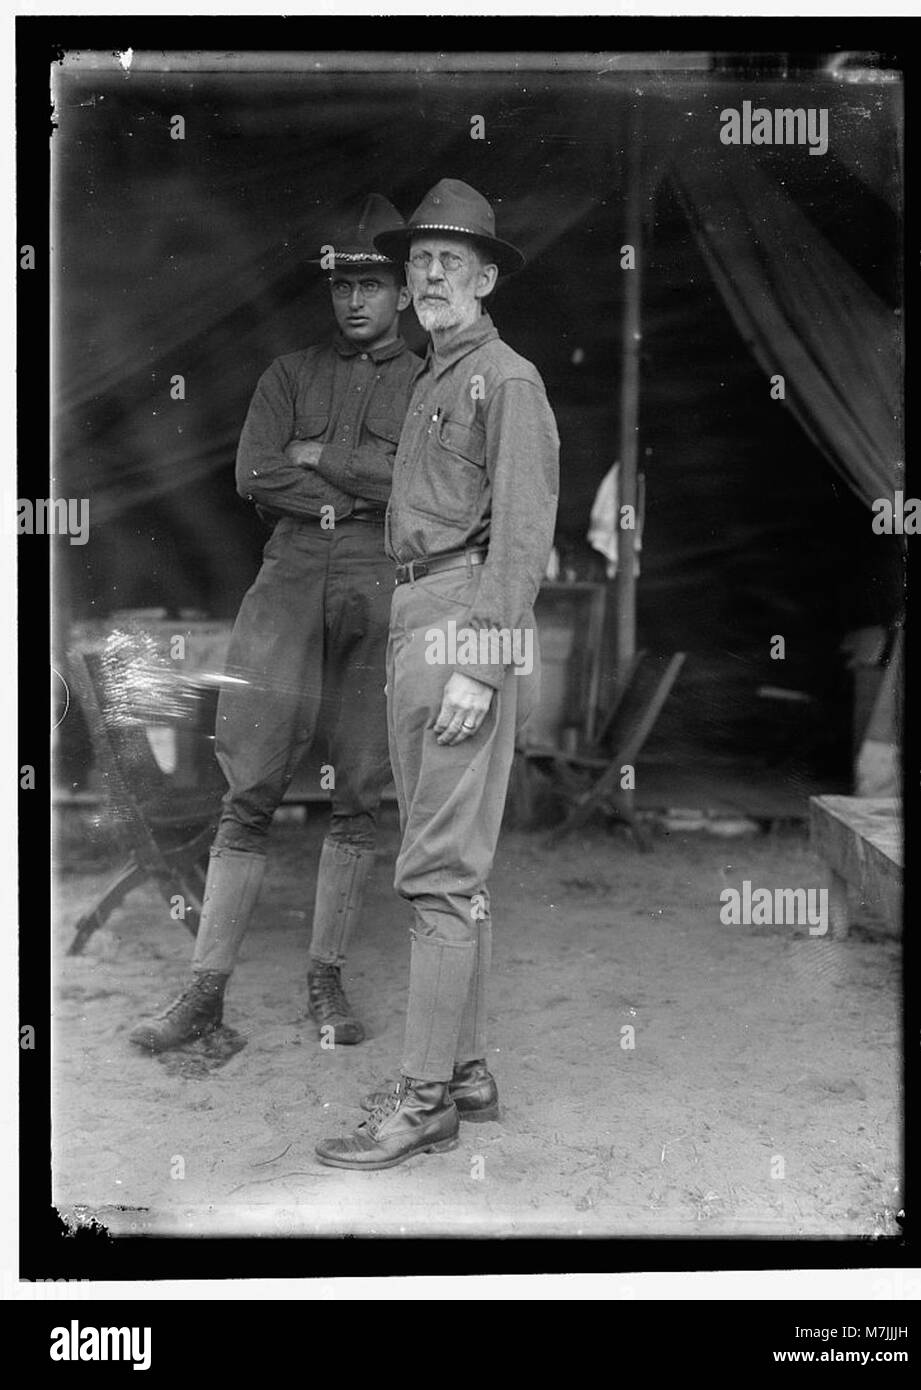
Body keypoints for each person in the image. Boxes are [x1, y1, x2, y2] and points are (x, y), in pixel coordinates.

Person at [131, 194, 420, 1053]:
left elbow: (416, 489)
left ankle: (324, 981)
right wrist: (350, 482)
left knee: (360, 790)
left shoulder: (430, 382)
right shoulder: (287, 375)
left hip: (380, 575)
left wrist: (322, 457)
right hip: (291, 572)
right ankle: (204, 992)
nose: (355, 299)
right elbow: (255, 476)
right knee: (248, 784)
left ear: (404, 292)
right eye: (342, 285)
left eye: (372, 283)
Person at [314, 178, 560, 1170]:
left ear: (487, 276)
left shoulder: (506, 380)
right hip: (420, 610)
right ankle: (463, 1072)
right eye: (418, 262)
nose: (429, 278)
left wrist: (482, 666)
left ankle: (420, 1103)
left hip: (462, 623)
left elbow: (523, 538)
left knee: (436, 874)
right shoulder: (431, 377)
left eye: (450, 262)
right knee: (446, 858)